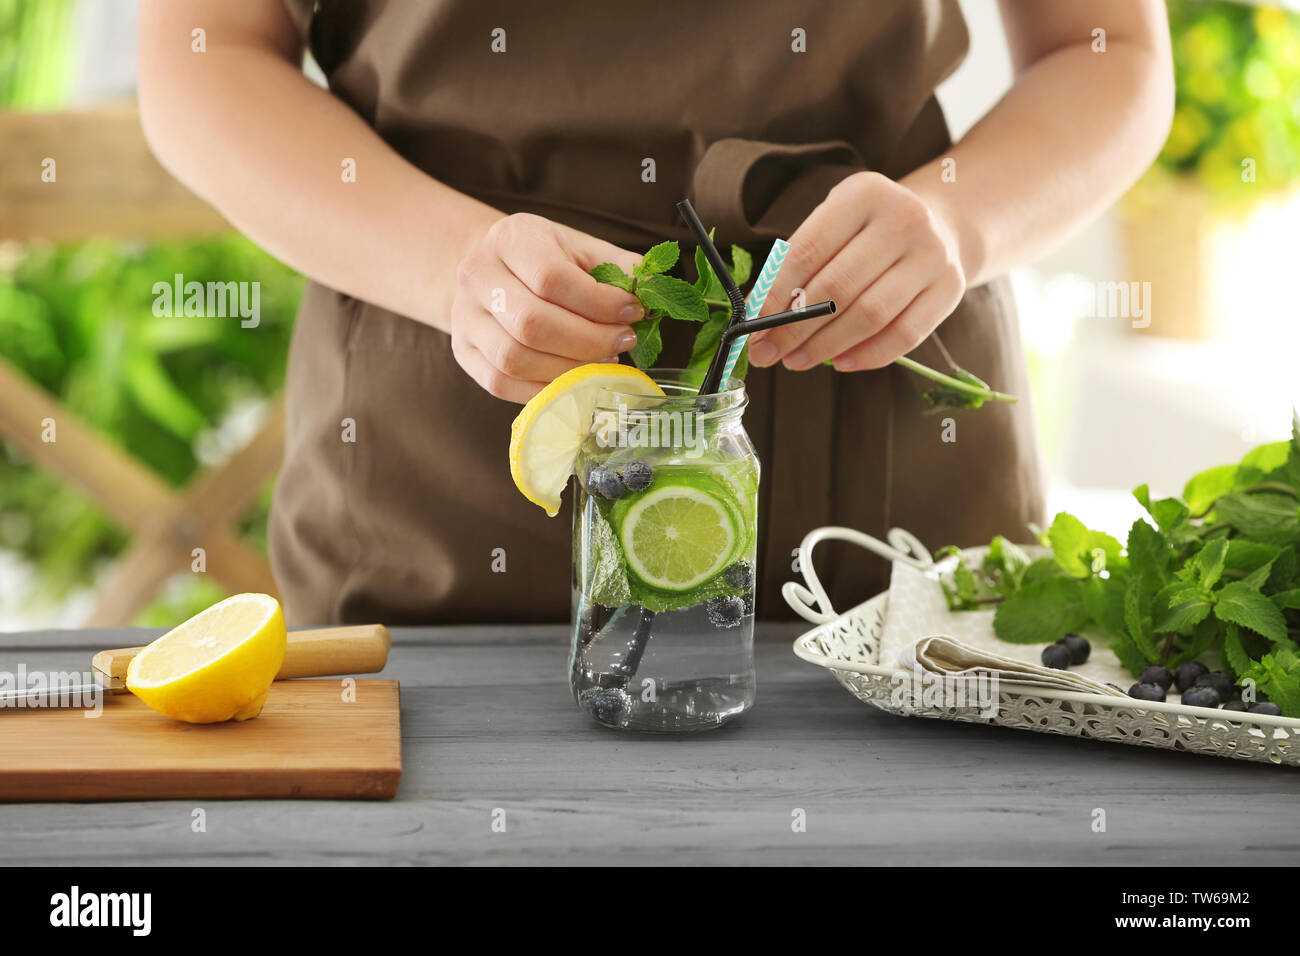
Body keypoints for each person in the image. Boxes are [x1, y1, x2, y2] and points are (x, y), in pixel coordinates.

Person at [138, 0, 1173, 625]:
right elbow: (203, 48)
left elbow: (1108, 48)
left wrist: (956, 220)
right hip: (450, 472)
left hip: (887, 451)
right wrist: (455, 264)